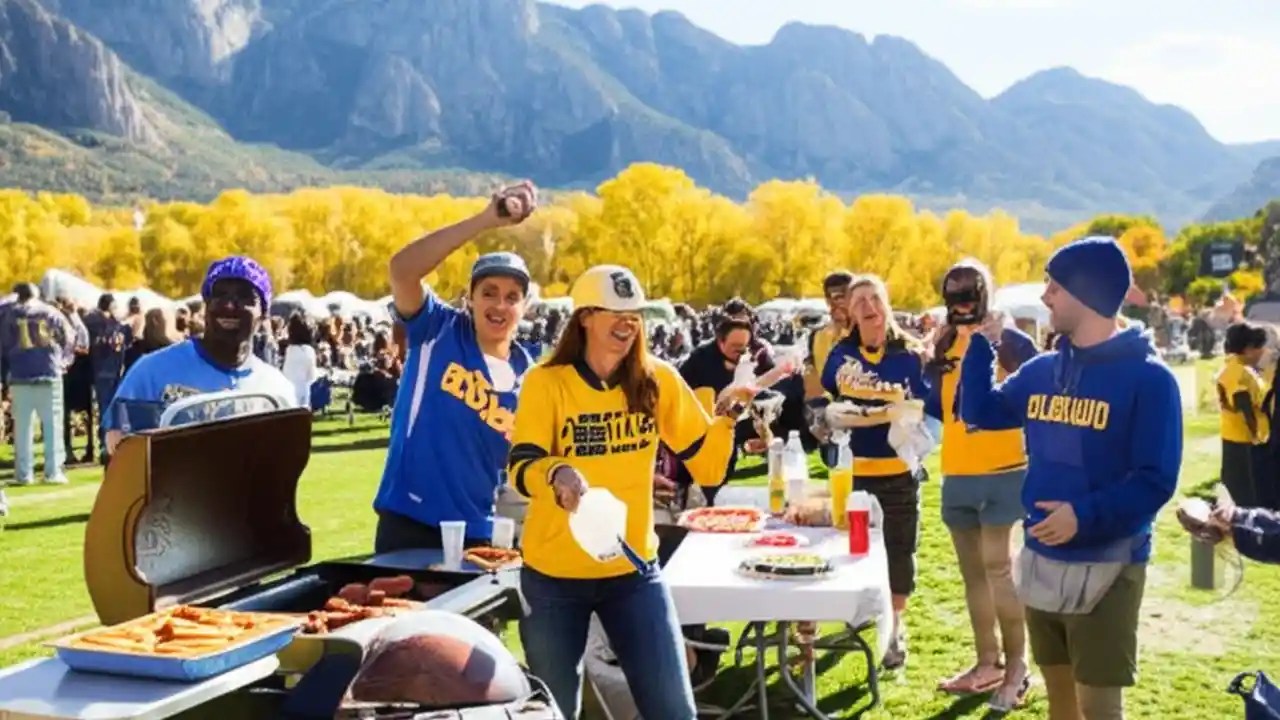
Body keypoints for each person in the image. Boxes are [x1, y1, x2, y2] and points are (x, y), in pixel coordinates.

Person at [960, 236, 1182, 720]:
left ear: (1088, 293)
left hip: (1108, 565)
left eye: (1054, 286)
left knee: (1098, 708)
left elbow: (1155, 480)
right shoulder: (1043, 371)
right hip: (1042, 560)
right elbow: (979, 411)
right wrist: (980, 341)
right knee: (1060, 702)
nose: (1045, 298)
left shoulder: (1150, 379)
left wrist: (1083, 516)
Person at [507, 264, 740, 720]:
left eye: (634, 314)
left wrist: (729, 415)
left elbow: (708, 467)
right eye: (613, 312)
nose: (627, 323)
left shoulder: (658, 380)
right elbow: (521, 465)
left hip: (634, 573)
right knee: (555, 713)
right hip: (554, 578)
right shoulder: (546, 382)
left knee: (674, 711)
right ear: (584, 319)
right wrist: (556, 473)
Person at [372, 182, 537, 553]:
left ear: (525, 308)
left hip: (480, 531)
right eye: (489, 292)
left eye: (512, 297)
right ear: (470, 299)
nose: (499, 305)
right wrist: (484, 220)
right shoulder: (439, 330)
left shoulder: (529, 373)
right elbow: (402, 270)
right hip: (409, 521)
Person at [925, 259, 1038, 711]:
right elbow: (938, 403)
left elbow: (1038, 394)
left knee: (998, 568)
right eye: (954, 295)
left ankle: (1018, 667)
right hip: (957, 471)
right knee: (974, 574)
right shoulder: (947, 339)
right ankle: (987, 662)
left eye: (970, 294)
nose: (963, 304)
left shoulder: (1012, 340)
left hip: (1004, 469)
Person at [820, 274, 930, 670]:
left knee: (900, 551)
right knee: (851, 548)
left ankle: (896, 627)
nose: (869, 306)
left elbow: (920, 411)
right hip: (854, 473)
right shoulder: (840, 356)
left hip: (899, 471)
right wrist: (884, 412)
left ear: (886, 304)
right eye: (860, 300)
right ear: (849, 311)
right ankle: (857, 617)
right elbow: (834, 413)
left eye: (875, 298)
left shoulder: (911, 355)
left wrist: (866, 414)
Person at [105, 256, 296, 453]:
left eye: (245, 297)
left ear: (264, 312)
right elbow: (119, 453)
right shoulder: (151, 373)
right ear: (206, 304)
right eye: (220, 295)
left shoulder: (277, 391)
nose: (229, 305)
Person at [0, 283, 75, 485]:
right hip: (49, 374)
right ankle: (53, 472)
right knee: (53, 426)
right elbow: (70, 337)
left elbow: (3, 346)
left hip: (20, 375)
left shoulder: (9, 313)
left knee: (23, 429)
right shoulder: (51, 311)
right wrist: (63, 362)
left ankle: (24, 474)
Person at [677, 317, 756, 503]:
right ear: (720, 342)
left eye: (745, 346)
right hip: (697, 437)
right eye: (735, 346)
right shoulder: (700, 360)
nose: (741, 352)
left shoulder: (743, 360)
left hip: (727, 431)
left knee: (722, 486)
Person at [1216, 322, 1271, 510]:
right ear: (1248, 349)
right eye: (1260, 348)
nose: (1263, 353)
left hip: (1240, 437)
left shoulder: (1237, 368)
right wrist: (1255, 433)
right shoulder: (1238, 372)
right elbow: (1243, 402)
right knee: (1244, 491)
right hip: (1242, 439)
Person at [84, 293, 132, 466]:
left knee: (111, 409)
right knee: (107, 409)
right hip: (105, 369)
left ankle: (109, 444)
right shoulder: (97, 323)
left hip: (111, 370)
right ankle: (106, 446)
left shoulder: (115, 324)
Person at [282, 313, 319, 409]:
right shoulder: (308, 351)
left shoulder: (289, 349)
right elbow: (312, 376)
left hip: (287, 389)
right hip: (303, 391)